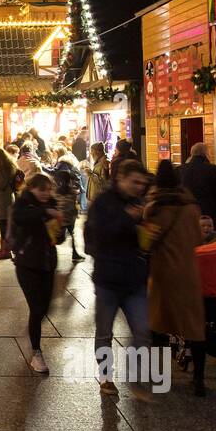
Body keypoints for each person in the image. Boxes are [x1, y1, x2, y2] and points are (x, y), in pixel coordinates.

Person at [84, 158, 152, 399]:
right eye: (135, 182)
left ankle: (135, 380)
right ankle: (106, 378)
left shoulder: (138, 202)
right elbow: (95, 236)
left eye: (142, 184)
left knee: (142, 331)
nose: (139, 187)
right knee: (104, 332)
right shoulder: (103, 203)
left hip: (134, 279)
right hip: (108, 280)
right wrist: (128, 219)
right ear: (121, 179)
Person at [144, 160, 207, 396]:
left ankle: (157, 376)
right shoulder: (191, 207)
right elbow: (198, 240)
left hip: (162, 274)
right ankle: (199, 380)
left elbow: (146, 242)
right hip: (188, 273)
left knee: (157, 324)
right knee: (194, 327)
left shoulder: (154, 207)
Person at [9, 172, 62, 374]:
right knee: (37, 307)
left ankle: (32, 332)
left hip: (48, 263)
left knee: (46, 307)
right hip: (27, 264)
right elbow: (23, 219)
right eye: (42, 190)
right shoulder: (22, 205)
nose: (46, 193)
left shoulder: (51, 205)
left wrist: (58, 230)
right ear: (31, 189)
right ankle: (36, 352)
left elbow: (58, 235)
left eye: (49, 190)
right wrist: (46, 212)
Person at [181, 142, 216, 244]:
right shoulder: (215, 170)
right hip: (211, 218)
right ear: (207, 154)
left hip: (186, 218)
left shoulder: (179, 171)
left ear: (191, 154)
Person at [51, 143, 85, 263]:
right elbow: (72, 206)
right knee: (71, 235)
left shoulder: (56, 191)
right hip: (69, 219)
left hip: (60, 218)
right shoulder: (71, 192)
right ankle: (75, 253)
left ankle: (52, 254)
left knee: (56, 236)